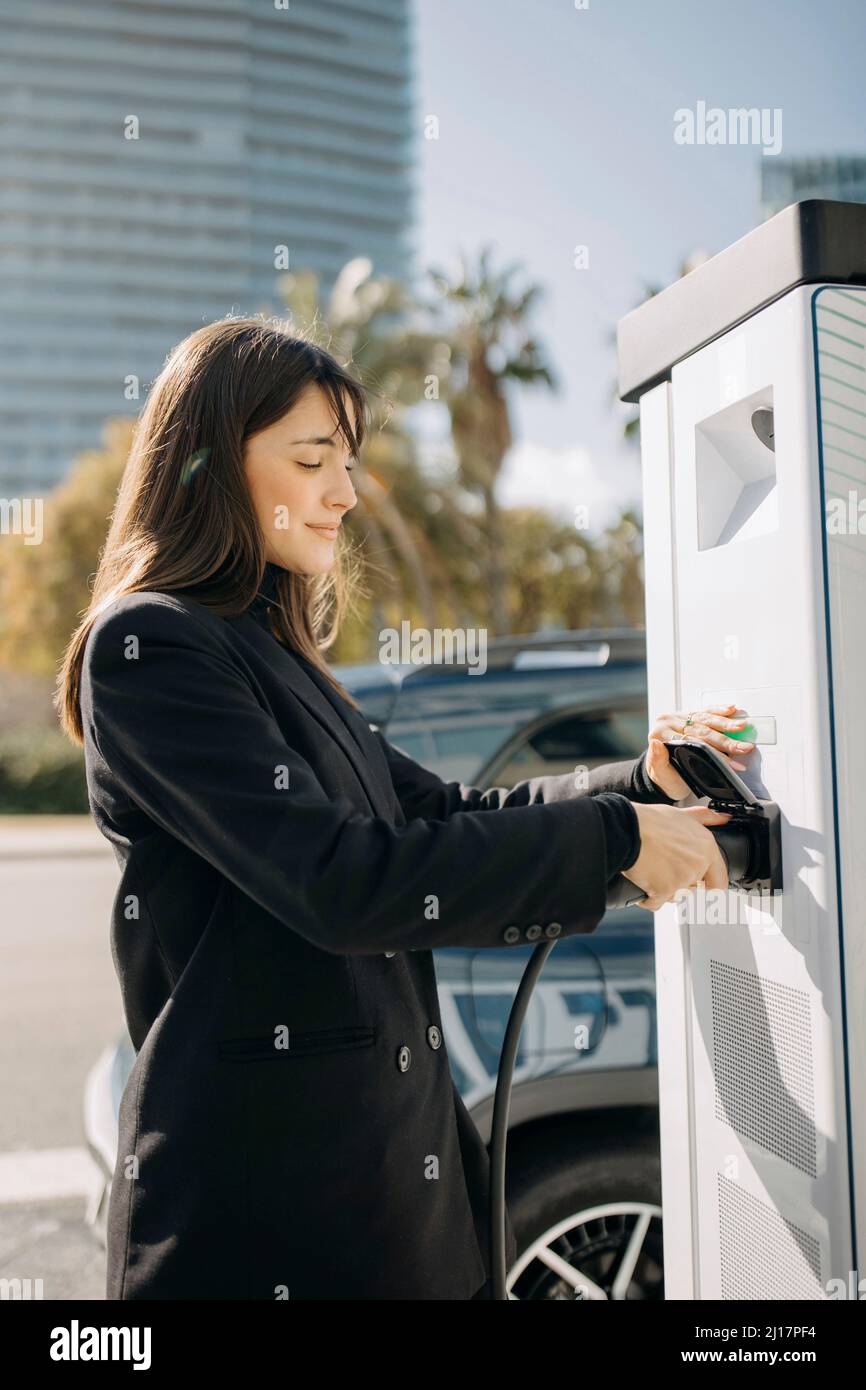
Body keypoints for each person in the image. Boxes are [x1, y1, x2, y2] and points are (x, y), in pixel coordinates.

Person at [55, 316, 751, 1300]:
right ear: (206, 464)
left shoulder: (272, 652)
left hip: (394, 1208)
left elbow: (440, 814)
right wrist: (618, 841)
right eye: (312, 459)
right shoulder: (151, 647)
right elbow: (344, 881)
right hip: (265, 1224)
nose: (344, 492)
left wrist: (635, 789)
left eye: (347, 460)